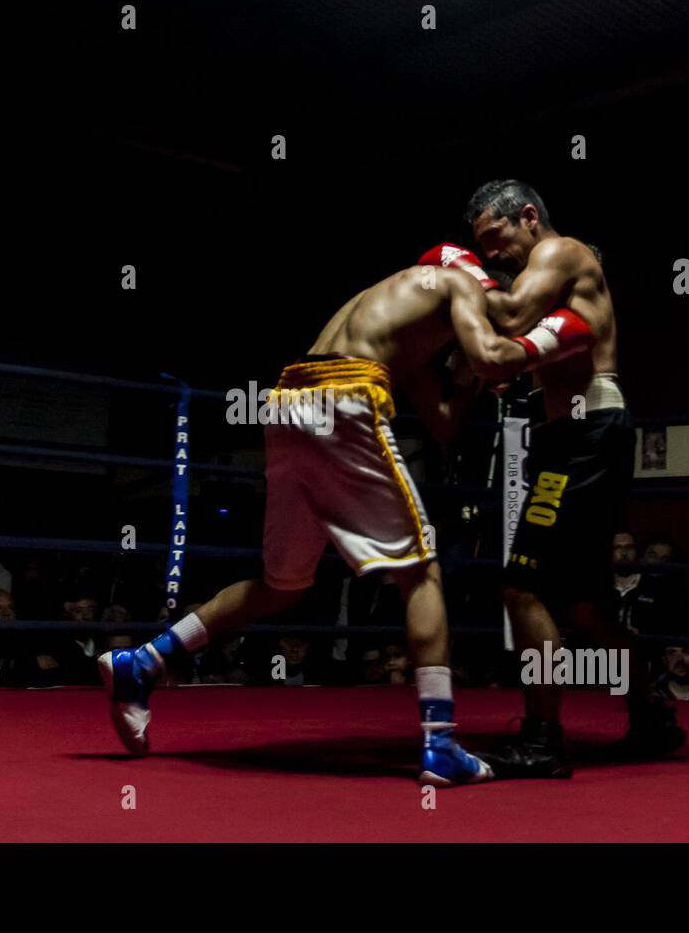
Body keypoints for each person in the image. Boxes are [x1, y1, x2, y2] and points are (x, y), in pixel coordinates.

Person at [99, 250, 556, 786]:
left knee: (282, 583)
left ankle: (145, 661)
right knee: (420, 571)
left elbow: (445, 425)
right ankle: (441, 745)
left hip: (290, 403)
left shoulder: (395, 312)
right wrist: (539, 343)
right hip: (344, 396)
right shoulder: (467, 285)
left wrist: (470, 379)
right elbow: (495, 353)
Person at [464, 178, 685, 777]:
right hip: (576, 432)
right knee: (584, 603)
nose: (489, 253)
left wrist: (459, 273)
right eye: (478, 247)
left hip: (586, 434)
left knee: (521, 585)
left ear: (529, 216)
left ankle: (541, 741)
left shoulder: (561, 251)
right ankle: (652, 717)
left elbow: (506, 313)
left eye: (494, 236)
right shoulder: (550, 275)